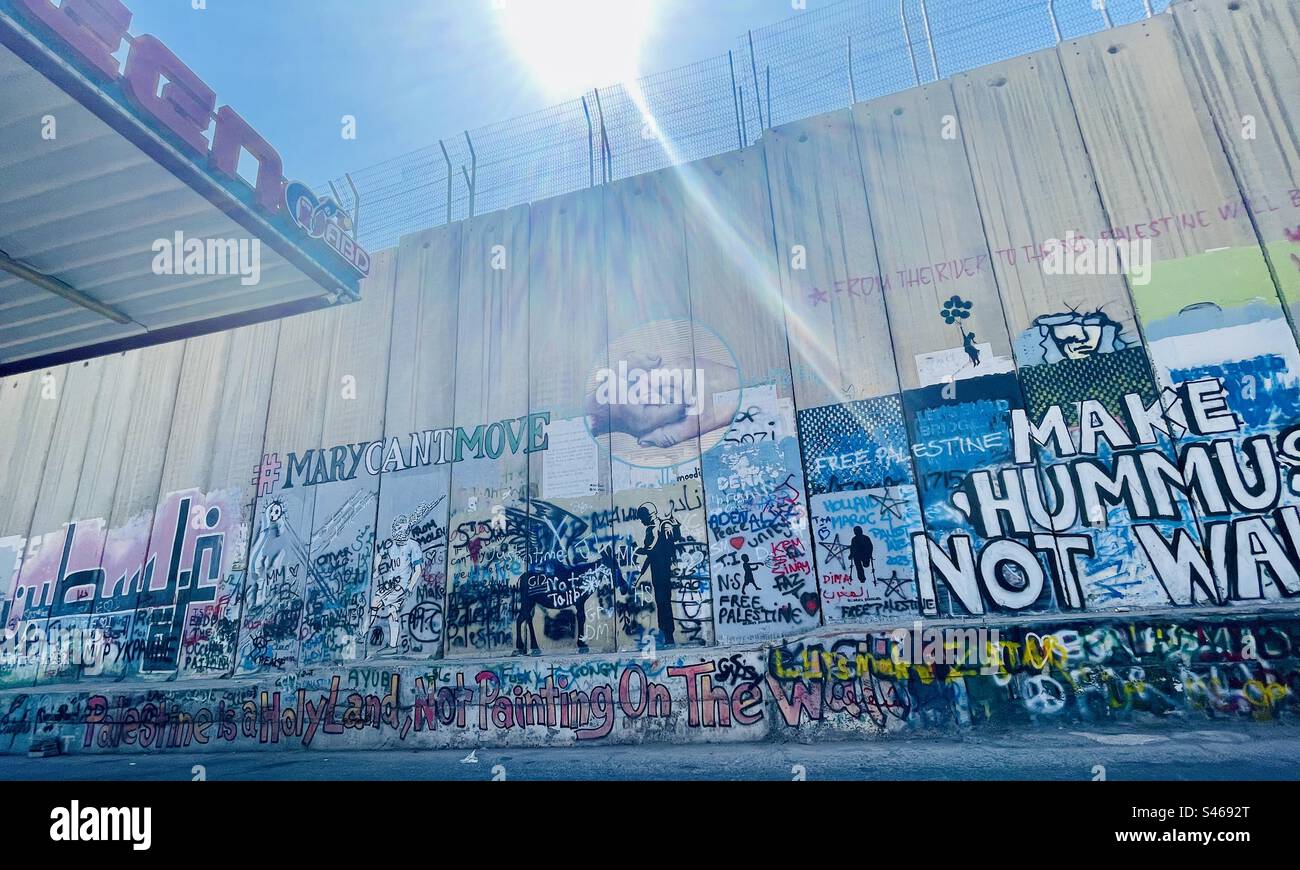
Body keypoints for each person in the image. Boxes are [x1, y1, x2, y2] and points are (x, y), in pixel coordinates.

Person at [369, 515, 424, 650]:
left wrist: (410, 586)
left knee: (376, 601)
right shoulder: (391, 545)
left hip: (401, 585)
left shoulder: (413, 545)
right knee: (392, 612)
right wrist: (376, 570)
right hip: (391, 584)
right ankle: (393, 645)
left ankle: (363, 632)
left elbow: (418, 569)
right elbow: (379, 555)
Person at [636, 503, 681, 647]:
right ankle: (666, 633)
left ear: (648, 516)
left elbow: (650, 549)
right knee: (663, 602)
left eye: (642, 518)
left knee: (663, 602)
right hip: (662, 570)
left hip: (661, 571)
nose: (641, 522)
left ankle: (667, 634)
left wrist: (636, 550)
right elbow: (652, 554)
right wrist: (642, 570)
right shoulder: (662, 525)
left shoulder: (653, 528)